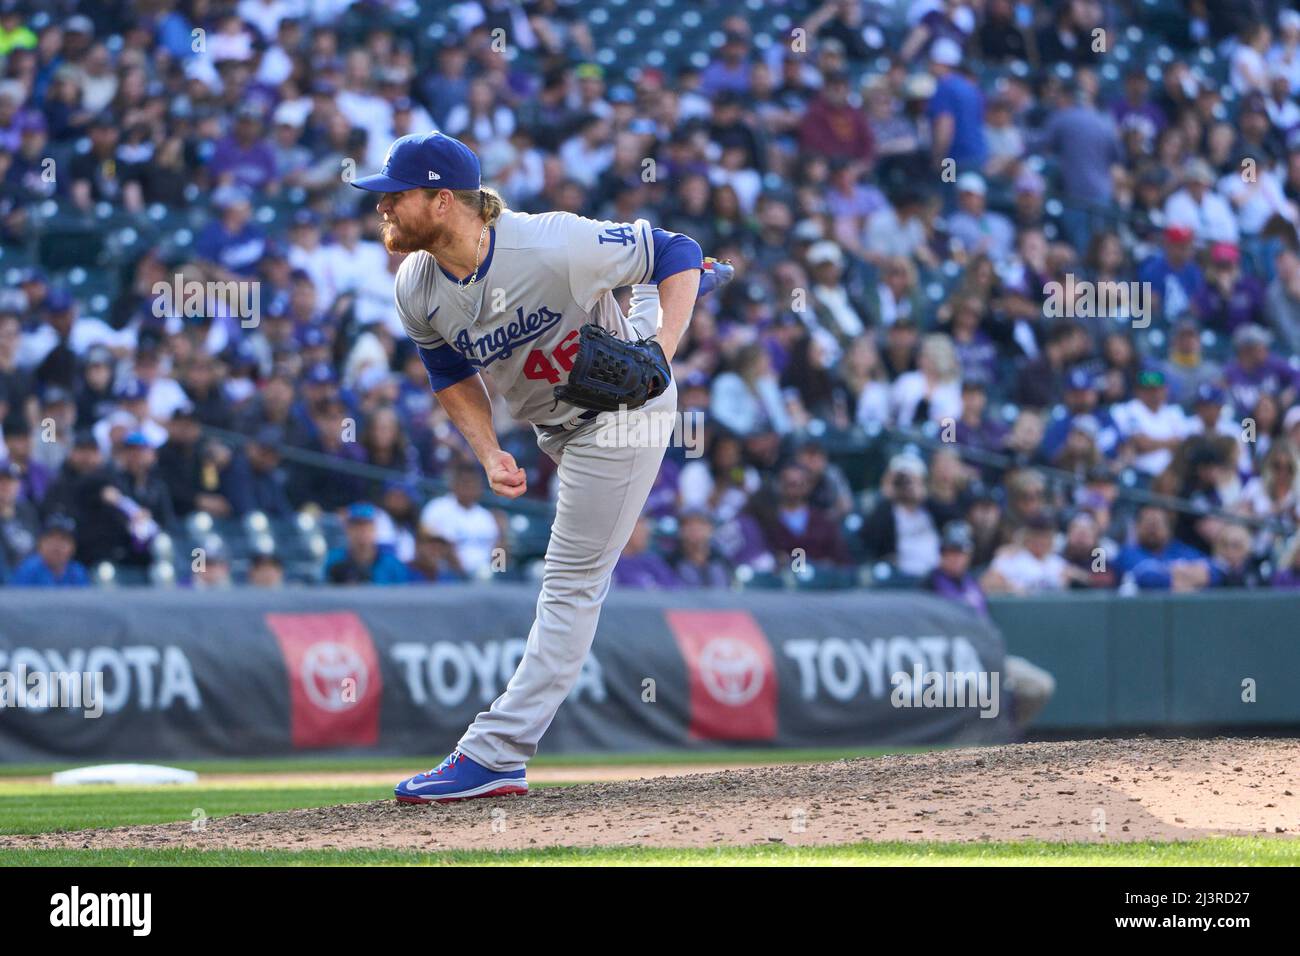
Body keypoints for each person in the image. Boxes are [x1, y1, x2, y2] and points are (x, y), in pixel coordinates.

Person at [352, 131, 725, 802]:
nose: (381, 208)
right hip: (558, 418)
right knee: (633, 309)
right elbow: (448, 371)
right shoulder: (416, 286)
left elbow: (677, 248)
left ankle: (496, 753)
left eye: (394, 196)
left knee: (571, 585)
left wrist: (663, 355)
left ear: (442, 201)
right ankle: (660, 302)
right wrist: (488, 449)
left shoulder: (549, 245)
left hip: (621, 418)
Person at [8, 514, 89, 587]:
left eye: (63, 540)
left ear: (73, 547)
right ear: (40, 544)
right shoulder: (28, 570)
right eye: (51, 539)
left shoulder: (77, 572)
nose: (57, 546)